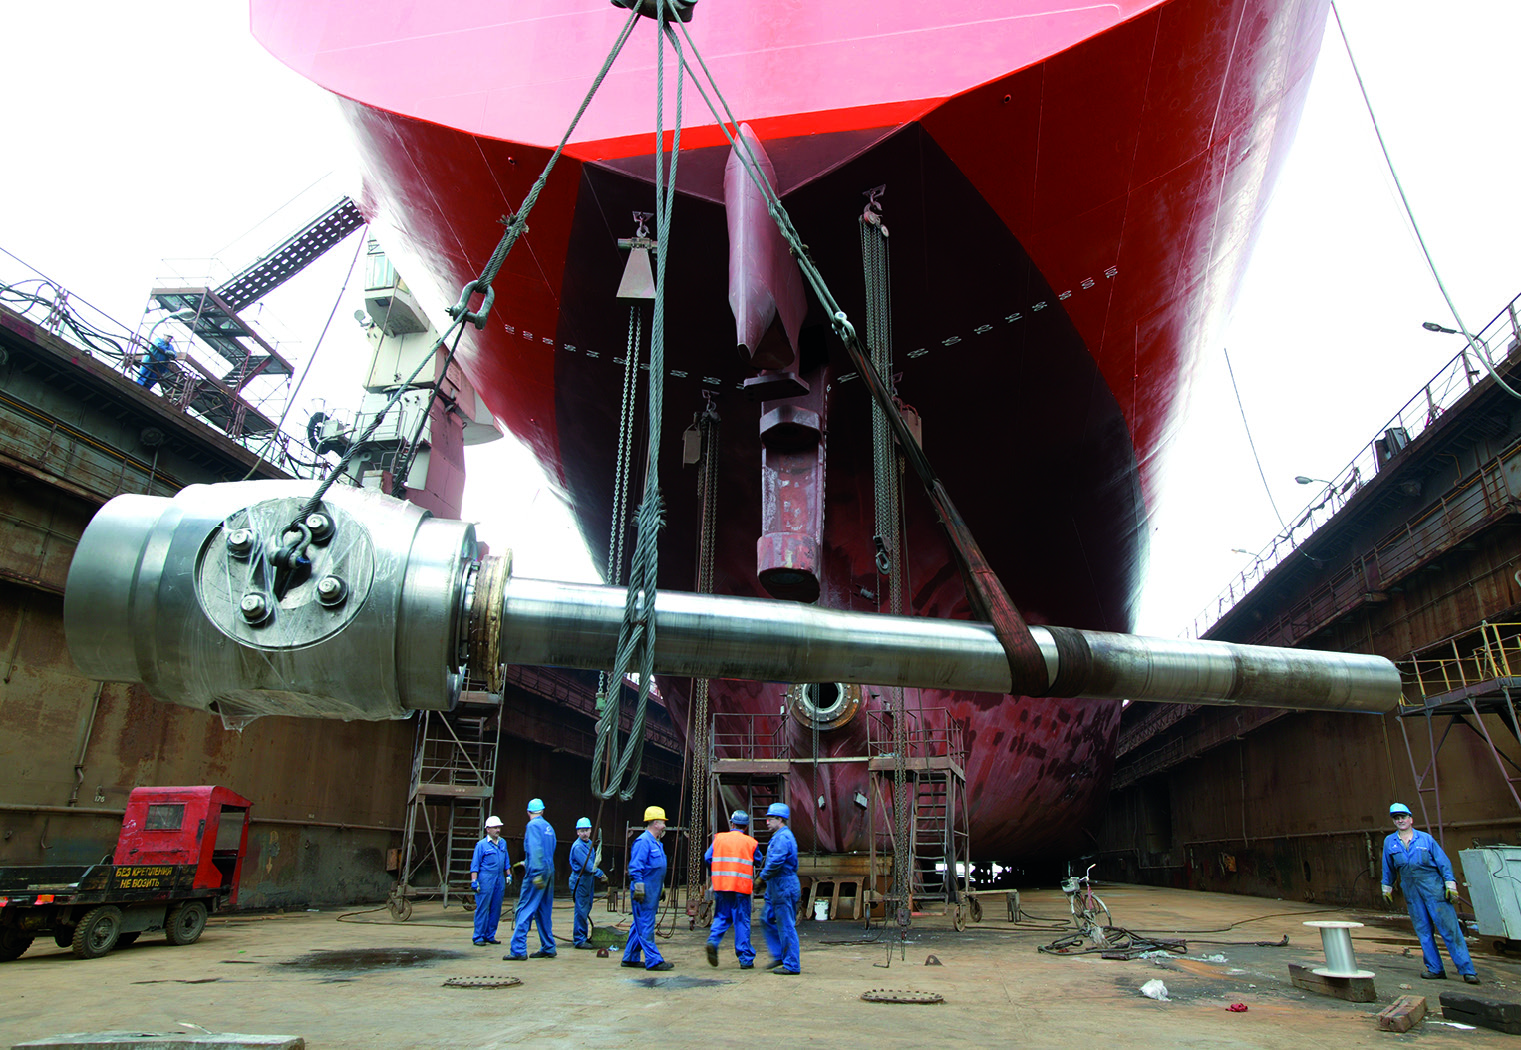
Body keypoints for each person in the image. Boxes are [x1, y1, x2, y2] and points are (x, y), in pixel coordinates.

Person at [1381, 802, 1479, 984]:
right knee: (1424, 931)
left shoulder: (1426, 839)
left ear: (1411, 819)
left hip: (1434, 889)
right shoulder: (1390, 842)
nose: (1400, 820)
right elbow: (1388, 867)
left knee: (1450, 930)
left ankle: (1467, 970)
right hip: (1412, 891)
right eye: (1396, 818)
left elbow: (1443, 863)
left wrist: (1450, 885)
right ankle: (1435, 969)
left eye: (1403, 817)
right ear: (1394, 821)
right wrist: (1386, 887)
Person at [704, 809, 763, 969]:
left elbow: (707, 858)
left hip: (722, 886)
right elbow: (758, 860)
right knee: (741, 921)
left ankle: (713, 941)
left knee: (722, 916)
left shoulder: (719, 839)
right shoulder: (751, 842)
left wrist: (714, 873)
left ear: (732, 824)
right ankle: (745, 959)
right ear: (746, 826)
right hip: (741, 888)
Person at [622, 805, 674, 971]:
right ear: (655, 823)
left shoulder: (656, 843)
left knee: (639, 924)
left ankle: (630, 957)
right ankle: (654, 960)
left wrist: (661, 887)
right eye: (662, 822)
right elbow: (635, 867)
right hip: (643, 892)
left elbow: (657, 868)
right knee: (645, 925)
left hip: (652, 891)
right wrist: (639, 887)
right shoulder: (643, 842)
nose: (664, 826)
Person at [505, 798, 557, 960]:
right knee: (543, 909)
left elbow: (535, 850)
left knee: (525, 908)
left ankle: (518, 950)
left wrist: (535, 872)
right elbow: (550, 849)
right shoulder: (549, 827)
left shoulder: (532, 826)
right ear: (542, 811)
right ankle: (548, 947)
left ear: (528, 812)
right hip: (549, 870)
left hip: (537, 872)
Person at [758, 801, 800, 975]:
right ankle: (779, 955)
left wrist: (762, 878)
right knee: (766, 918)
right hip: (776, 886)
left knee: (786, 925)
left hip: (784, 886)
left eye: (770, 819)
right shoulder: (779, 836)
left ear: (780, 819)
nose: (767, 822)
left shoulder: (783, 838)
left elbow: (776, 862)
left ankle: (791, 965)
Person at [469, 815, 511, 946]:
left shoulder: (503, 843)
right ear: (487, 829)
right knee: (483, 907)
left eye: (499, 827)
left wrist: (508, 875)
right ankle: (478, 936)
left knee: (496, 908)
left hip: (499, 878)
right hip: (486, 879)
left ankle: (489, 935)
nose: (498, 830)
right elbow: (475, 865)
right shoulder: (481, 845)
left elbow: (506, 861)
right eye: (495, 828)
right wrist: (474, 881)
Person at [568, 816, 607, 949]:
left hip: (587, 881)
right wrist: (600, 874)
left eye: (586, 830)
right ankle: (579, 940)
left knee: (586, 908)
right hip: (580, 880)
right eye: (582, 831)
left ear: (590, 830)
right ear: (577, 832)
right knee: (581, 909)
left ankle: (582, 936)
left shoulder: (589, 843)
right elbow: (589, 866)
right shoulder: (578, 847)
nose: (584, 833)